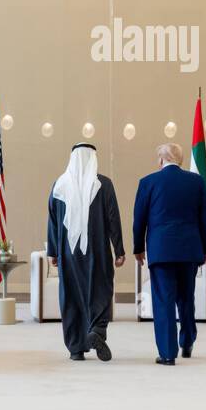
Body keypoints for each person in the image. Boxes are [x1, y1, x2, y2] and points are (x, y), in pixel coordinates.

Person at [132, 143, 206, 365]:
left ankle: (167, 353)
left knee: (163, 300)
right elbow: (205, 219)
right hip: (189, 250)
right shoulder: (196, 182)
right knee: (186, 297)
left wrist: (138, 248)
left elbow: (139, 220)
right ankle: (187, 341)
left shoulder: (147, 182)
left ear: (160, 161)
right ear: (181, 160)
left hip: (161, 251)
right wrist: (205, 248)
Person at [47, 143, 125, 361]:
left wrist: (53, 251)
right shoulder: (104, 184)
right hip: (97, 251)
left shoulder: (59, 185)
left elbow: (52, 221)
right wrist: (119, 249)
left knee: (72, 295)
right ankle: (97, 331)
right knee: (101, 289)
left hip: (68, 253)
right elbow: (113, 218)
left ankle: (75, 348)